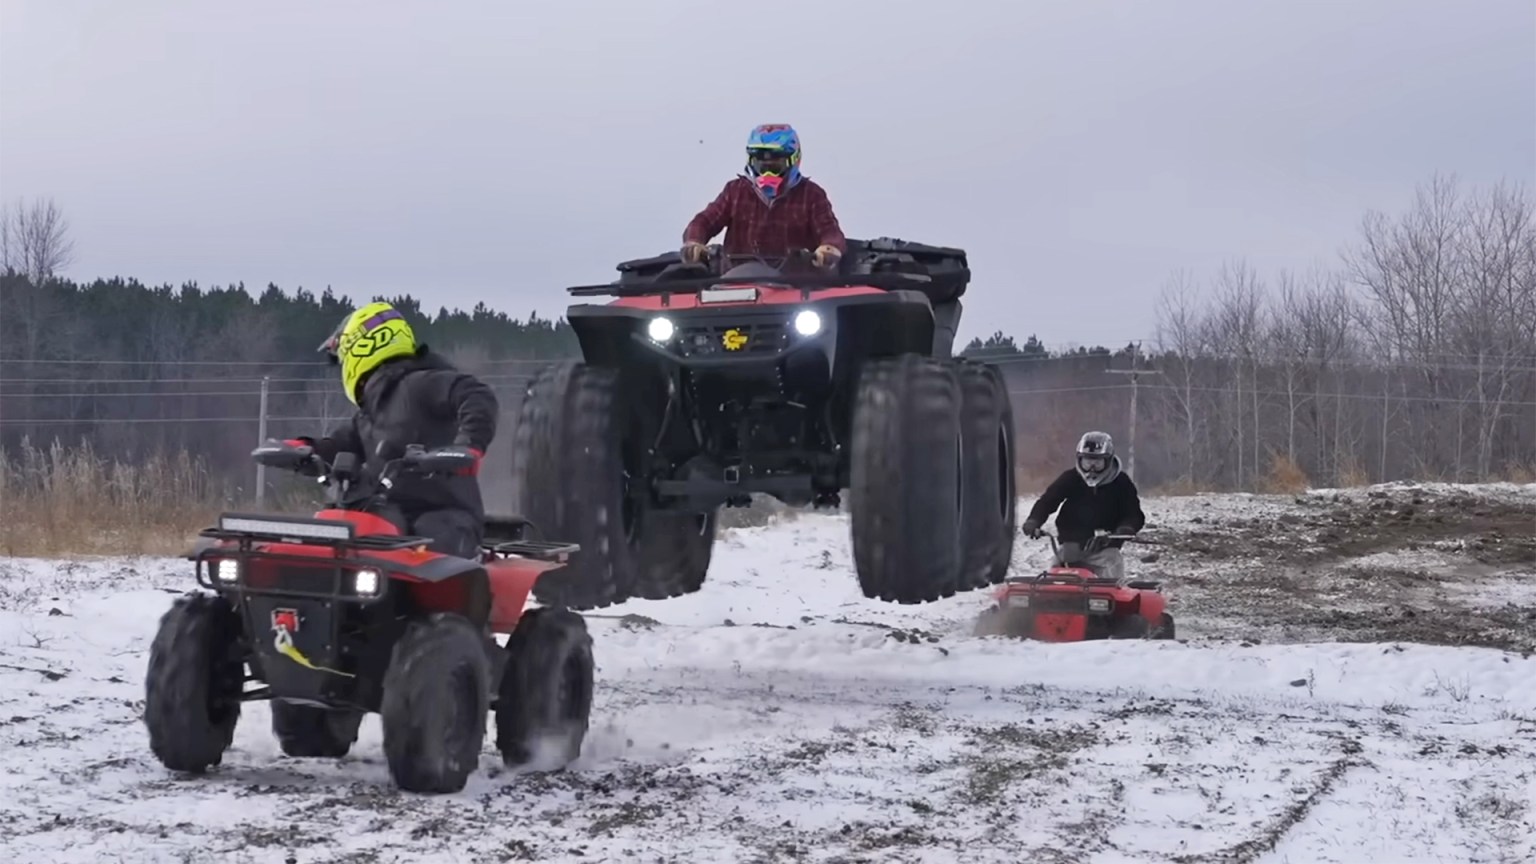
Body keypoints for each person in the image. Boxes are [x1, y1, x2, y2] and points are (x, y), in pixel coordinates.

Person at [284, 301, 499, 559]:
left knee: (427, 549)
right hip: (387, 515)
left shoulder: (422, 383)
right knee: (335, 537)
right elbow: (338, 446)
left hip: (445, 515)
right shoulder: (368, 416)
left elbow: (476, 396)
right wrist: (301, 449)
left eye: (342, 357)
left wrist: (468, 446)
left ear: (363, 345)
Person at [681, 123, 847, 270]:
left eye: (775, 164)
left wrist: (828, 248)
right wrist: (694, 242)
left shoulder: (811, 195)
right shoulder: (735, 191)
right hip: (736, 283)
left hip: (794, 286)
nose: (767, 171)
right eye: (761, 163)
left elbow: (830, 231)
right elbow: (704, 221)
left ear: (793, 160)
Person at [1019, 431, 1146, 582]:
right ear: (1079, 460)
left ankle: (1114, 601)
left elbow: (1134, 514)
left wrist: (1126, 528)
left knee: (1113, 568)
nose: (1091, 468)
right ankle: (1049, 600)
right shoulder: (1071, 478)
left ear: (1108, 461)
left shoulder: (1121, 483)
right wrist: (1034, 520)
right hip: (1069, 547)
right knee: (1053, 574)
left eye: (1097, 463)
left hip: (1105, 549)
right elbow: (1047, 501)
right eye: (1087, 462)